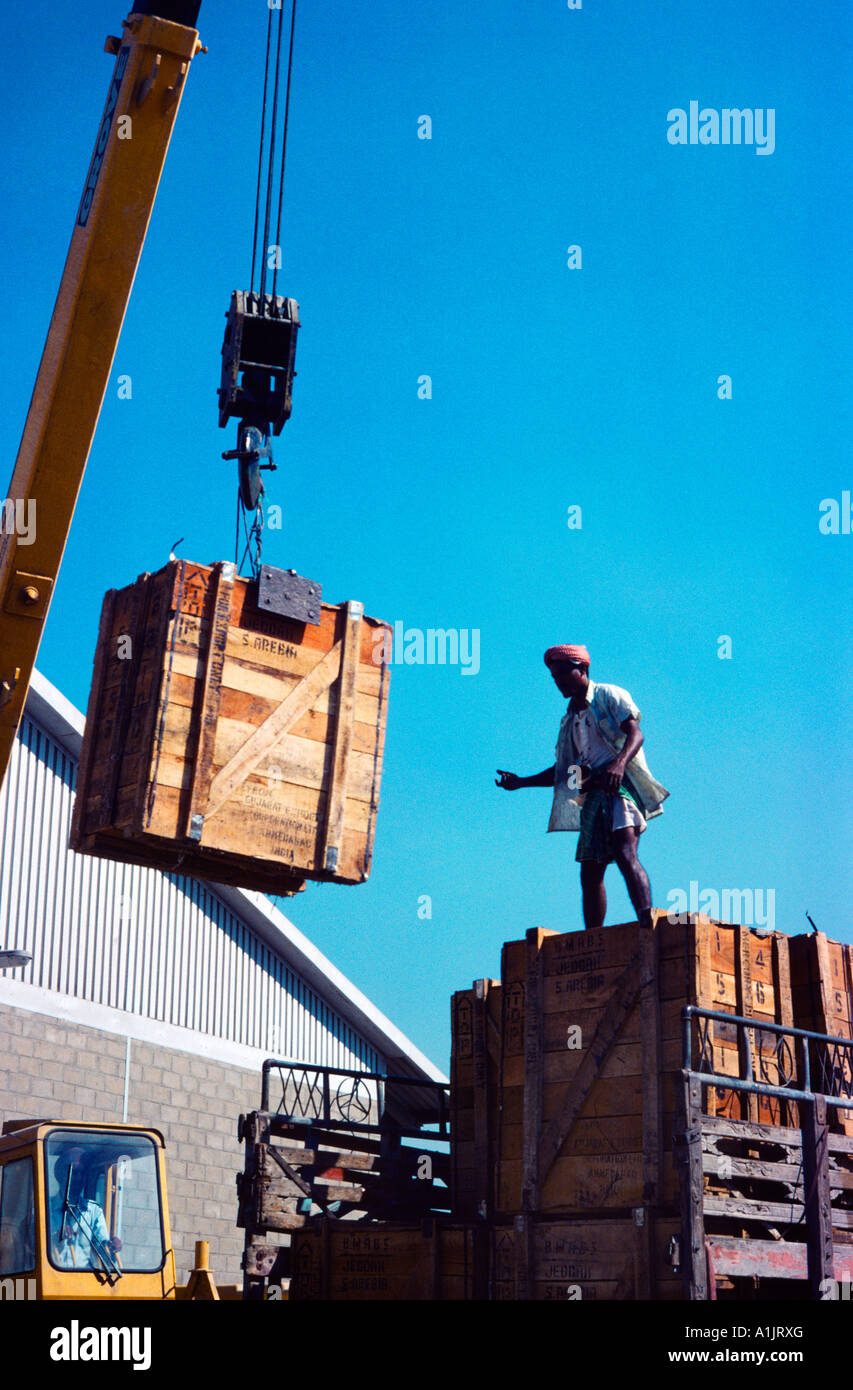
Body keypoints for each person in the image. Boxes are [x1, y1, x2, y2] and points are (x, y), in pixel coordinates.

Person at [495, 644, 669, 930]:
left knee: (625, 853)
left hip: (620, 786)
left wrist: (618, 764)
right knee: (589, 871)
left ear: (583, 670)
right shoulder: (569, 721)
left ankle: (647, 922)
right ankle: (593, 938)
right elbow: (566, 771)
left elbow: (636, 734)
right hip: (593, 795)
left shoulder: (608, 695)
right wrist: (521, 782)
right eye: (554, 677)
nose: (559, 682)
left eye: (564, 674)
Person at [50, 1147, 122, 1271]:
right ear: (60, 1174)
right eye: (74, 1173)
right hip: (52, 1277)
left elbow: (102, 1251)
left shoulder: (93, 1212)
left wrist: (112, 1247)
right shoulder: (45, 1208)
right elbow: (30, 1247)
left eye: (82, 1174)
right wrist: (55, 1238)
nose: (78, 1179)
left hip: (84, 1279)